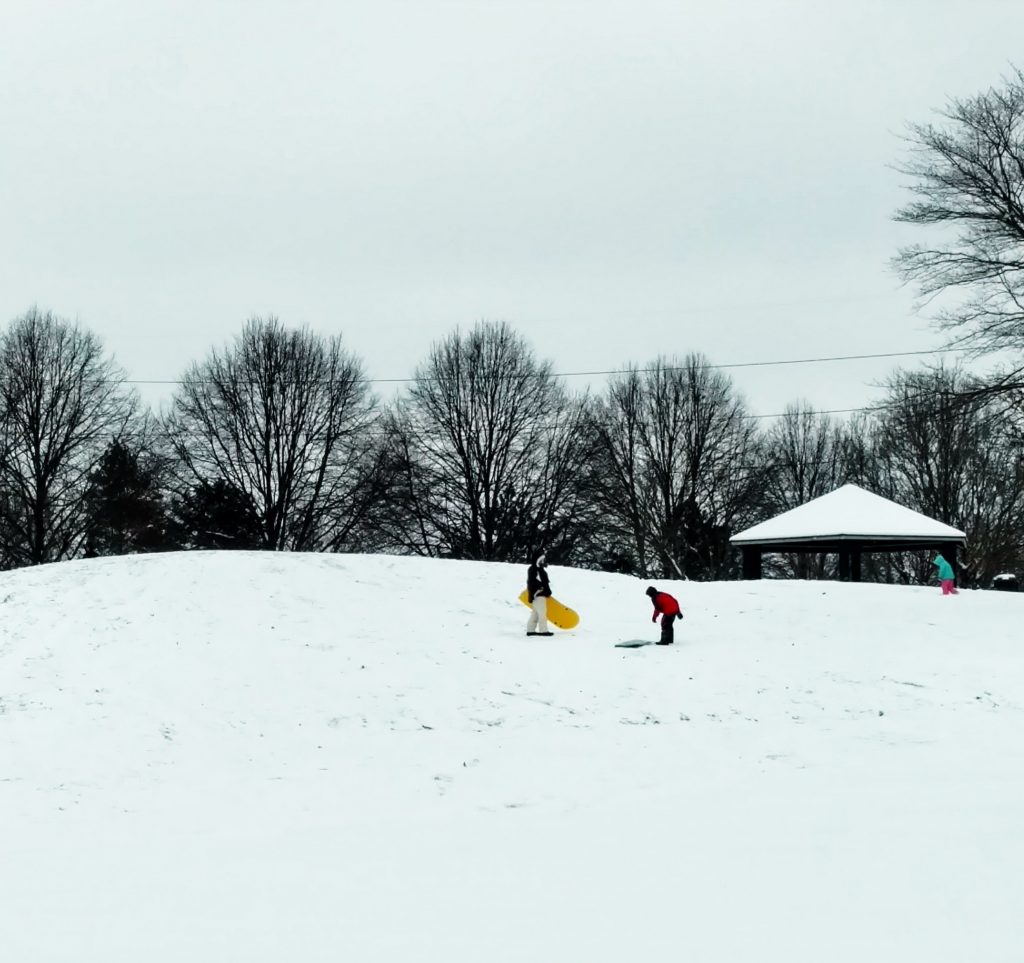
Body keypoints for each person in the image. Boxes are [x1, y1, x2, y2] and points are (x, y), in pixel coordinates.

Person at [526, 553, 554, 636]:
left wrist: (547, 590)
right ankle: (543, 631)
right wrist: (541, 588)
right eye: (541, 560)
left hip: (539, 595)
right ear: (538, 560)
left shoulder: (540, 570)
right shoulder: (534, 569)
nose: (543, 561)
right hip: (538, 595)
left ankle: (530, 630)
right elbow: (532, 582)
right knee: (542, 614)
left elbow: (544, 582)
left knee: (535, 614)